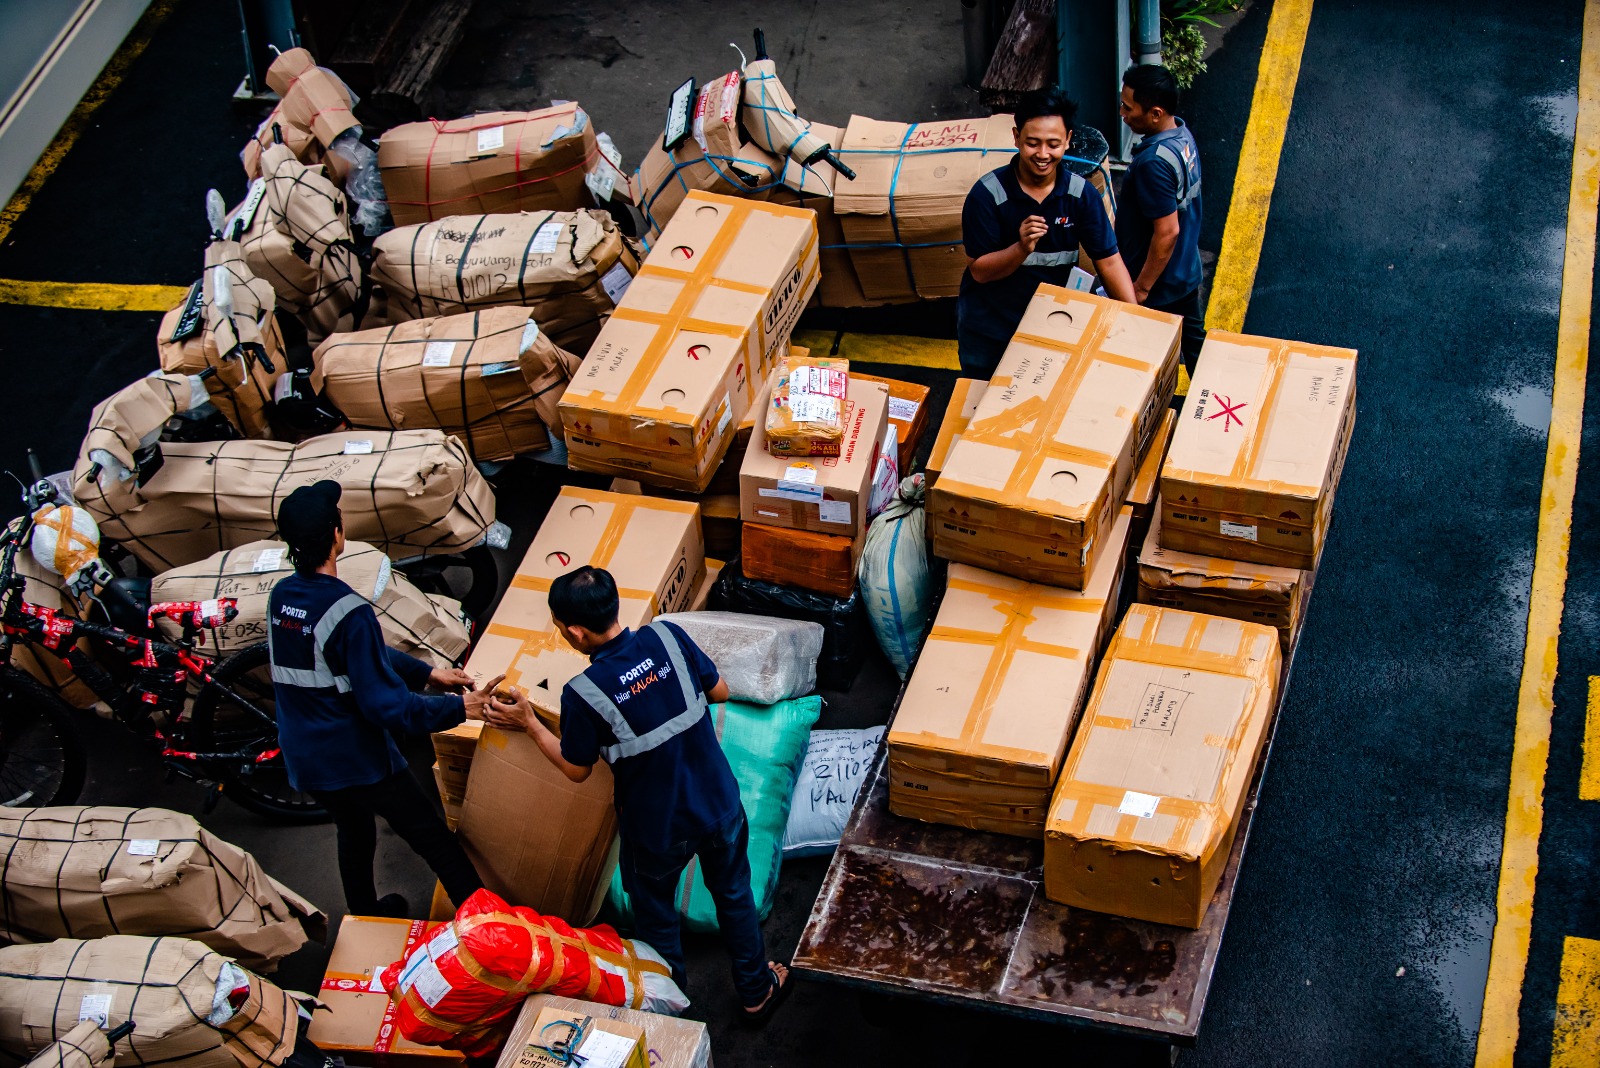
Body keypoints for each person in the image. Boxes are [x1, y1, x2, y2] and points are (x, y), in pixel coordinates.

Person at [484, 566, 791, 1024]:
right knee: (733, 893)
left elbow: (575, 770)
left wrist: (529, 722)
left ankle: (671, 1012)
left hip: (656, 829)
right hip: (718, 804)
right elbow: (721, 691)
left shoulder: (583, 693)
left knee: (657, 920)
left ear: (575, 632)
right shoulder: (667, 636)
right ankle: (755, 989)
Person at [268, 480, 502, 918]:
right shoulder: (348, 611)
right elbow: (388, 708)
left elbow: (359, 653)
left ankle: (365, 915)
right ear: (337, 535)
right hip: (356, 758)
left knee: (353, 831)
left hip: (306, 756)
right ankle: (487, 925)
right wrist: (460, 709)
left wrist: (428, 671)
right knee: (431, 837)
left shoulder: (282, 598)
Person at [957, 86, 1138, 378]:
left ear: (1067, 140)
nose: (1042, 154)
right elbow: (980, 271)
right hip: (992, 331)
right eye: (1032, 143)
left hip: (1053, 327)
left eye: (1053, 144)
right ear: (1016, 138)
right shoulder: (987, 196)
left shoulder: (1080, 196)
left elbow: (1109, 261)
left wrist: (1136, 319)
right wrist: (1020, 248)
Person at [1118, 64, 1206, 377]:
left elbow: (1167, 233)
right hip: (1185, 271)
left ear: (1155, 113)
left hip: (1159, 285)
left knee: (1147, 366)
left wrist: (1140, 289)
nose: (1122, 113)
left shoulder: (1153, 163)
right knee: (1197, 351)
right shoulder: (1181, 136)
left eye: (1129, 108)